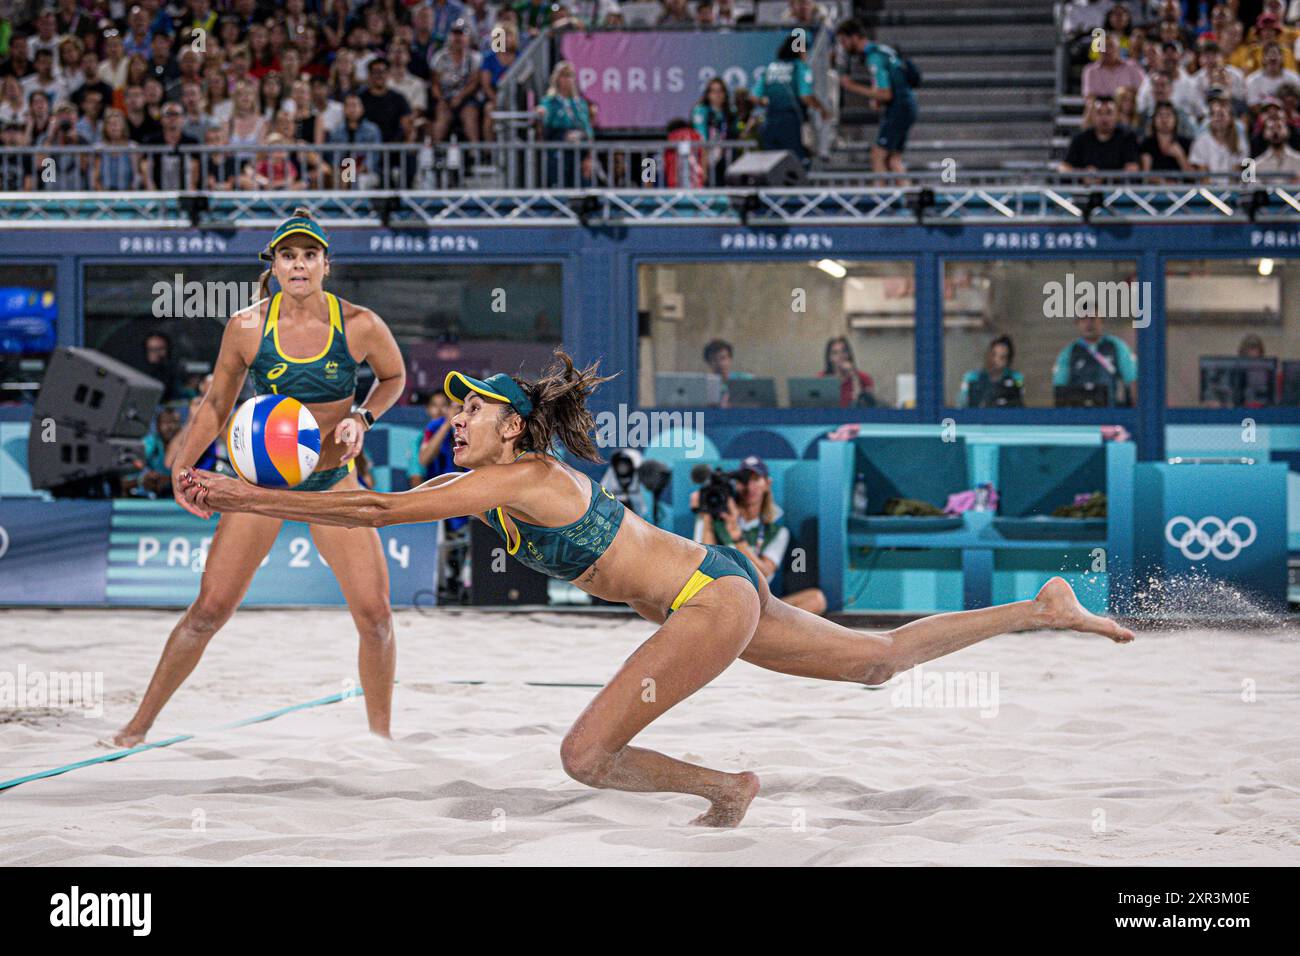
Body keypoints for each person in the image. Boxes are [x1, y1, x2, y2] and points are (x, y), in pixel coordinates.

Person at [178, 352, 1134, 828]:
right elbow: (377, 502)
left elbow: (376, 516)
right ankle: (1036, 609)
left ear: (513, 431)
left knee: (586, 756)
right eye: (456, 403)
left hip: (708, 602)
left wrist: (240, 490)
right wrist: (329, 453)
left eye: (473, 406)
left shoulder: (519, 479)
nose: (456, 412)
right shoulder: (480, 482)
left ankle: (729, 788)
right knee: (877, 666)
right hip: (715, 591)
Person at [112, 209, 408, 749]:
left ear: (325, 265)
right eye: (288, 255)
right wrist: (180, 469)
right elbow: (216, 405)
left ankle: (380, 741)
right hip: (261, 486)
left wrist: (362, 416)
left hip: (331, 481)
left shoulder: (360, 323)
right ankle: (136, 728)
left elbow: (394, 378)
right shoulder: (246, 326)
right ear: (272, 265)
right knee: (207, 612)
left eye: (309, 255)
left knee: (376, 616)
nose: (299, 264)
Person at [692, 455, 827, 615]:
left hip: (757, 604)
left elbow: (764, 573)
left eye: (756, 479)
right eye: (743, 481)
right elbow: (704, 565)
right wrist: (706, 515)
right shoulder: (714, 521)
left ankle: (753, 631)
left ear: (767, 484)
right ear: (736, 485)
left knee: (815, 599)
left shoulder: (777, 532)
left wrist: (736, 536)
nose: (749, 486)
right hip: (722, 599)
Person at [835, 19, 917, 175]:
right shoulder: (883, 50)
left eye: (844, 41)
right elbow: (886, 83)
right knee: (893, 160)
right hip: (907, 105)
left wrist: (852, 86)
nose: (843, 47)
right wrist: (876, 99)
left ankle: (880, 197)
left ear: (854, 37)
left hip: (898, 108)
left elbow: (886, 94)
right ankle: (907, 195)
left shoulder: (874, 57)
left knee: (878, 155)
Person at [753, 31, 830, 165]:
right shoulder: (800, 67)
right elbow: (805, 96)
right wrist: (822, 109)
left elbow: (754, 96)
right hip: (791, 123)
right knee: (797, 165)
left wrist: (770, 101)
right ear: (801, 51)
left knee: (773, 166)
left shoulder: (771, 67)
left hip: (770, 122)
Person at [1051, 312, 1139, 407]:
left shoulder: (1116, 346)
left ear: (1102, 321)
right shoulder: (1068, 353)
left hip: (1111, 415)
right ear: (1077, 323)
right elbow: (1059, 388)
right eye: (1083, 319)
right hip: (1079, 416)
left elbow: (1133, 379)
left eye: (1092, 318)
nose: (1088, 323)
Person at [1060, 94, 1141, 173]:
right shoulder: (1080, 138)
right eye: (1099, 113)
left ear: (1117, 115)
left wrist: (1102, 177)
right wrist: (1083, 173)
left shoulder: (1127, 137)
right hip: (1086, 186)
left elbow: (1132, 169)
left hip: (1117, 186)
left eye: (1109, 113)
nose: (1104, 118)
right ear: (1092, 116)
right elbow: (1064, 168)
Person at [958, 335, 1025, 408]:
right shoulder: (970, 377)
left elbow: (1020, 403)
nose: (996, 360)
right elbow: (961, 405)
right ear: (987, 354)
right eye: (993, 354)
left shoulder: (1017, 378)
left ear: (1008, 361)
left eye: (1002, 357)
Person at [819, 335, 875, 407]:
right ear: (830, 357)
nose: (840, 355)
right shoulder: (821, 379)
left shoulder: (864, 378)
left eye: (844, 351)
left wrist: (854, 376)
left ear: (849, 354)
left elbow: (867, 405)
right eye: (835, 353)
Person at [702, 338, 753, 407]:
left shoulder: (746, 379)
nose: (720, 363)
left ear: (730, 359)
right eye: (714, 359)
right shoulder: (704, 384)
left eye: (723, 358)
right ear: (708, 362)